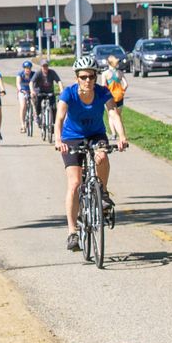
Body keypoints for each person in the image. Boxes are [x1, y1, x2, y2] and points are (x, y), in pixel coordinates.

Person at [55, 54, 128, 252]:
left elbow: (112, 113)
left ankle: (102, 193)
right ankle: (72, 232)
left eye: (92, 76)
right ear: (77, 77)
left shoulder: (102, 92)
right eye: (84, 77)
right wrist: (58, 140)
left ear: (96, 77)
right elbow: (60, 118)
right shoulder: (69, 93)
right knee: (75, 183)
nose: (88, 80)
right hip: (71, 137)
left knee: (102, 156)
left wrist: (121, 136)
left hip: (96, 135)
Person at [30, 57, 62, 127]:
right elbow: (31, 82)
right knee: (38, 104)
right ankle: (38, 116)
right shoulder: (38, 73)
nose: (45, 68)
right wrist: (32, 91)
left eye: (46, 66)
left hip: (50, 92)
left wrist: (61, 90)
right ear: (41, 66)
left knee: (53, 108)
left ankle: (53, 124)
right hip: (40, 92)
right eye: (43, 66)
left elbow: (58, 81)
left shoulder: (52, 72)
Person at [16, 59, 33, 129]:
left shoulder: (33, 74)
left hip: (31, 91)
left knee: (35, 102)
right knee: (23, 106)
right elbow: (17, 83)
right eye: (26, 68)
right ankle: (23, 124)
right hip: (22, 91)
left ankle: (36, 117)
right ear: (24, 68)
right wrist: (20, 89)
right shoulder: (20, 74)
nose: (27, 70)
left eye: (29, 68)